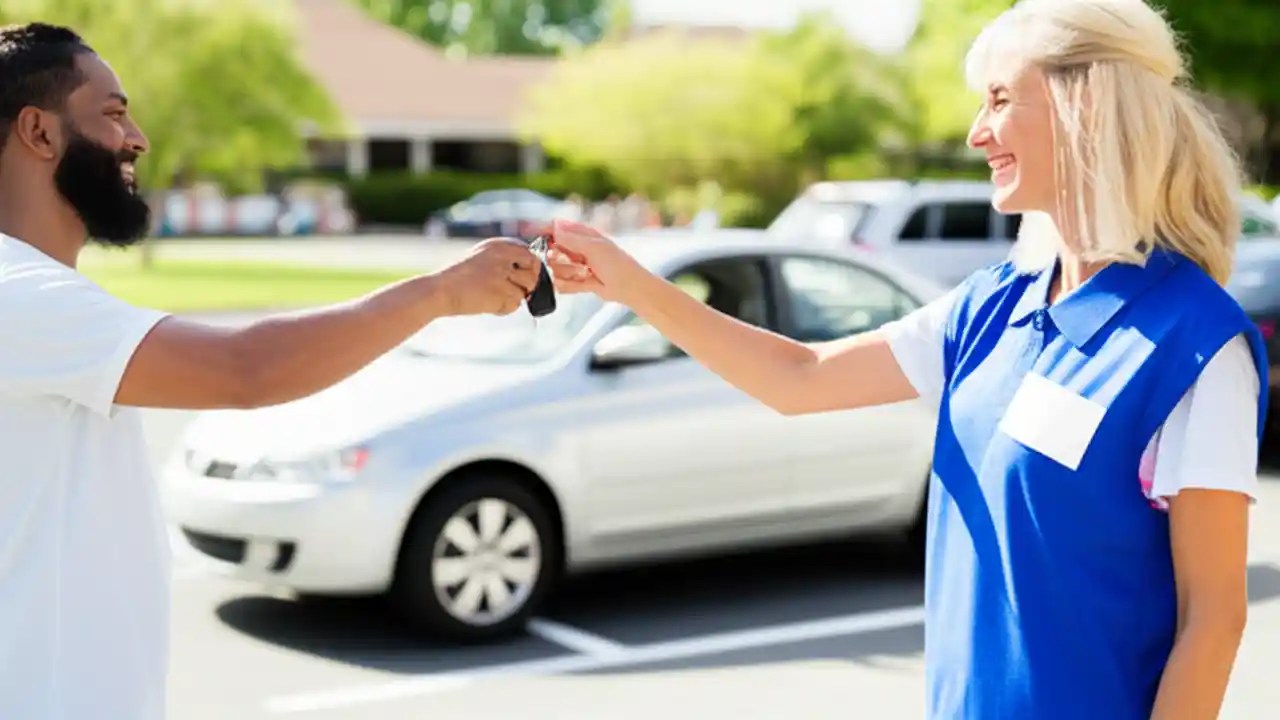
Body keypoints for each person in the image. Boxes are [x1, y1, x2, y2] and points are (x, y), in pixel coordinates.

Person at [543, 1, 1270, 718]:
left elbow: (1212, 622)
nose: (976, 132)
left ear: (1085, 106)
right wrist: (632, 285)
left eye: (999, 99)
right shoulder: (991, 305)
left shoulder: (1197, 345)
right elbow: (800, 379)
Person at [0, 23, 541, 720]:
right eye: (112, 112)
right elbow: (245, 369)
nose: (138, 138)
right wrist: (440, 294)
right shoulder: (17, 294)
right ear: (39, 133)